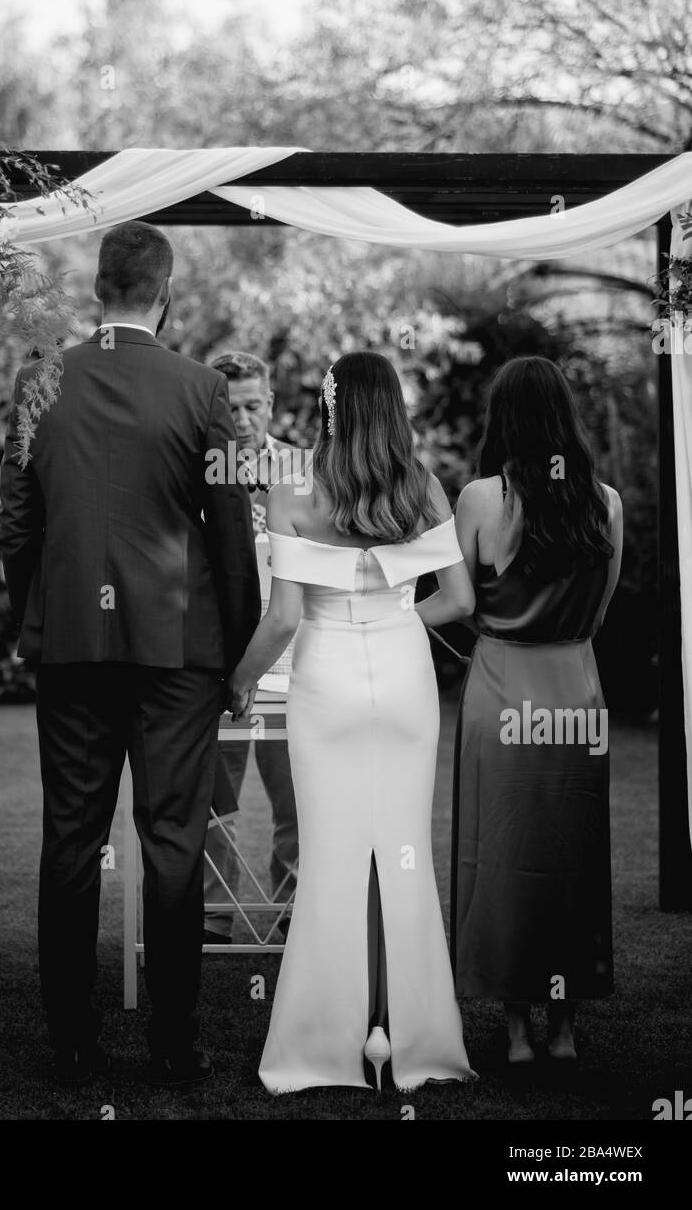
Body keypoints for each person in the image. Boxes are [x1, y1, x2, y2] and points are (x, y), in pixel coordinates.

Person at [0, 221, 260, 1089]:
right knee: (174, 842)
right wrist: (239, 653)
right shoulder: (200, 389)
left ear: (98, 289)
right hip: (178, 652)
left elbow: (19, 528)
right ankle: (175, 1044)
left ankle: (71, 1043)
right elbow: (230, 534)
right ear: (166, 292)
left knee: (70, 842)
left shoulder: (40, 381)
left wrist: (42, 612)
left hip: (73, 646)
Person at [228, 352, 477, 1092]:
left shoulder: (293, 485)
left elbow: (284, 618)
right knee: (402, 856)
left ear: (333, 405)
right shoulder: (422, 484)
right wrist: (393, 621)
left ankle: (322, 1047)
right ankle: (411, 1043)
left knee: (333, 858)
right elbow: (460, 601)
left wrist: (237, 680)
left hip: (327, 680)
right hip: (404, 681)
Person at [451, 356, 622, 1064]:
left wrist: (501, 636)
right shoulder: (604, 501)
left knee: (500, 855)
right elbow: (600, 610)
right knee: (571, 860)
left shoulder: (478, 499)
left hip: (499, 687)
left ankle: (517, 1030)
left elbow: (460, 604)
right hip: (575, 691)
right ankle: (565, 1028)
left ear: (504, 418)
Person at [202, 351, 299, 946]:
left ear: (271, 403)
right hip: (222, 656)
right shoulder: (199, 466)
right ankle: (215, 911)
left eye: (253, 405)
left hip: (293, 652)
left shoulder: (303, 470)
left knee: (296, 795)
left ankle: (292, 909)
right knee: (215, 795)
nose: (242, 418)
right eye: (230, 407)